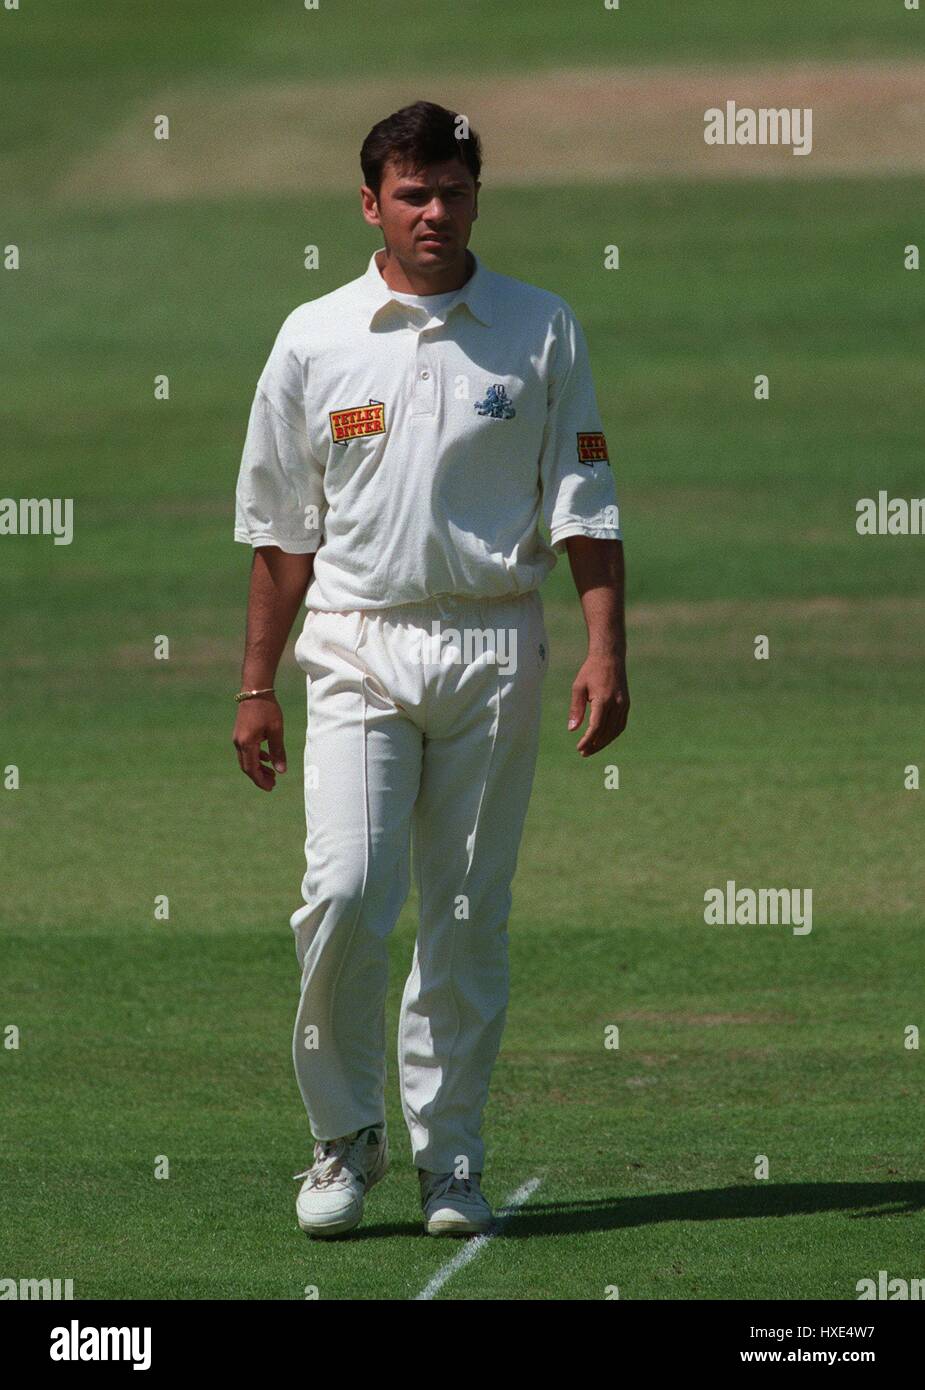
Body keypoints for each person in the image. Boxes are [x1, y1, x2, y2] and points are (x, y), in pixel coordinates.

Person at [232, 100, 630, 1239]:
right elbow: (278, 531)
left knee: (464, 912)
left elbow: (584, 504)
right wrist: (256, 684)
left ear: (474, 197)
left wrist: (605, 646)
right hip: (356, 639)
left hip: (498, 638)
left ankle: (449, 1158)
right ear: (370, 204)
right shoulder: (315, 335)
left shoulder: (539, 326)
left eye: (453, 190)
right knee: (347, 894)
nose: (435, 213)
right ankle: (342, 1136)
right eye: (412, 193)